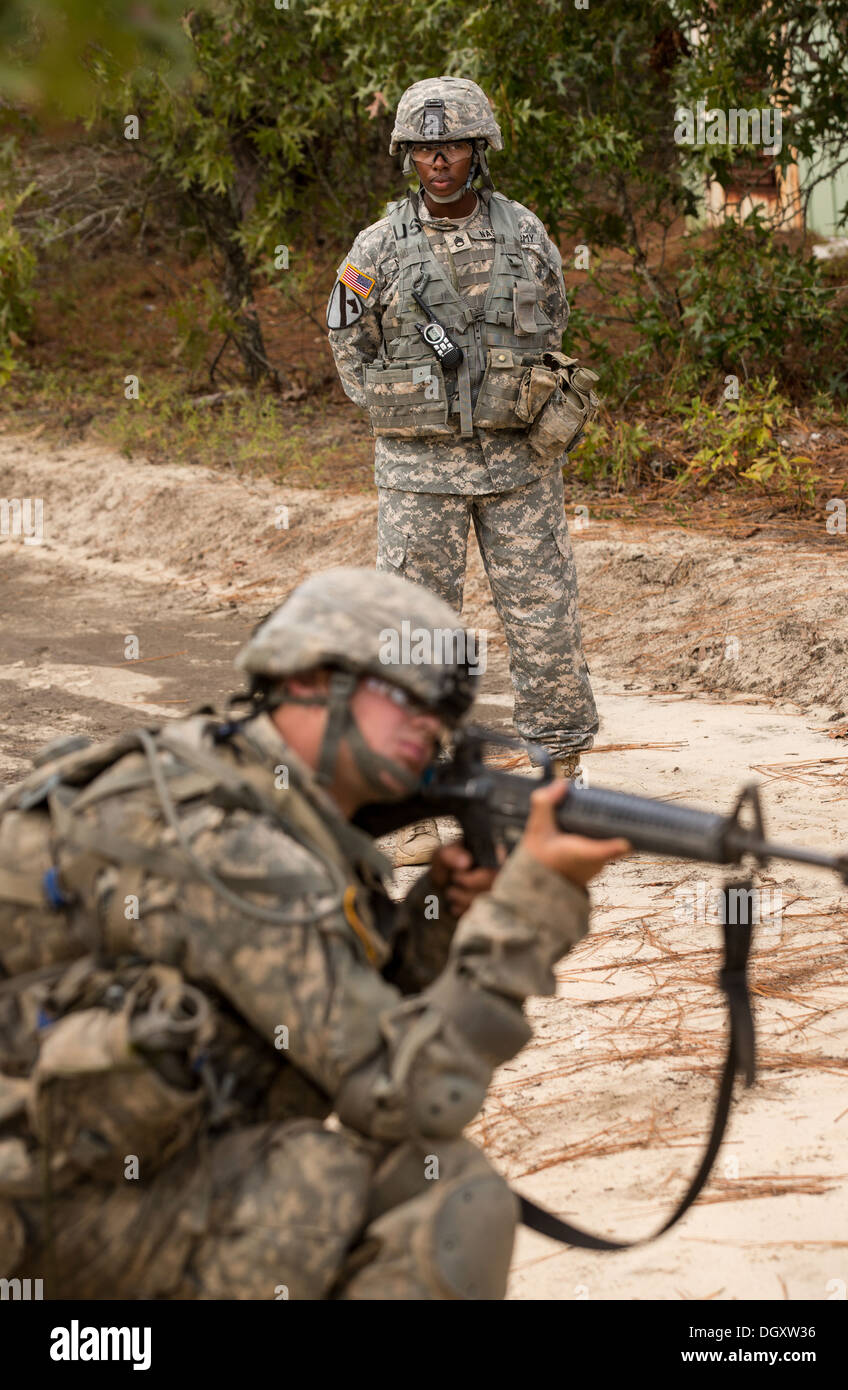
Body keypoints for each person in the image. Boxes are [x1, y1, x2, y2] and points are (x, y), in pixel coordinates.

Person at [0, 568, 627, 1300]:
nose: (431, 724)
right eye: (406, 694)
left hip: (80, 1158)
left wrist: (441, 919)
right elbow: (406, 1094)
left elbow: (339, 1012)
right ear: (308, 680)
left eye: (445, 710)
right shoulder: (240, 848)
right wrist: (530, 912)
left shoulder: (223, 772)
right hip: (41, 1210)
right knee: (437, 1195)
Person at [328, 75, 600, 866]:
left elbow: (552, 321)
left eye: (450, 145)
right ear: (407, 155)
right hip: (419, 475)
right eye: (422, 147)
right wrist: (398, 405)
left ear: (477, 149)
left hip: (518, 466)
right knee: (413, 637)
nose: (437, 159)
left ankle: (562, 779)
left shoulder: (524, 234)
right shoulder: (377, 248)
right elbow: (347, 337)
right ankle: (407, 801)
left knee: (544, 623)